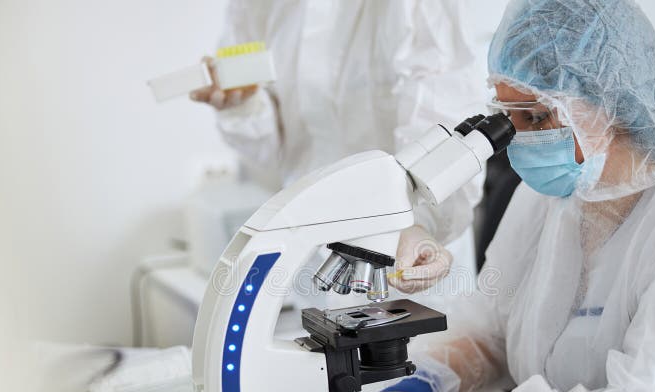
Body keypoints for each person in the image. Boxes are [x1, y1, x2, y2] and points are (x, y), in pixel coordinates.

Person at [285, 0, 655, 392]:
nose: (521, 143)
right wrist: (417, 386)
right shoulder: (550, 200)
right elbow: (489, 331)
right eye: (510, 118)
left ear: (612, 104)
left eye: (536, 116)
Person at [191, 0, 510, 296]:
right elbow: (273, 148)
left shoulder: (415, 8)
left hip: (412, 248)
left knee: (415, 349)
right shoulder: (257, 6)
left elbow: (444, 126)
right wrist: (243, 105)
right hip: (312, 245)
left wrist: (418, 222)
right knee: (317, 347)